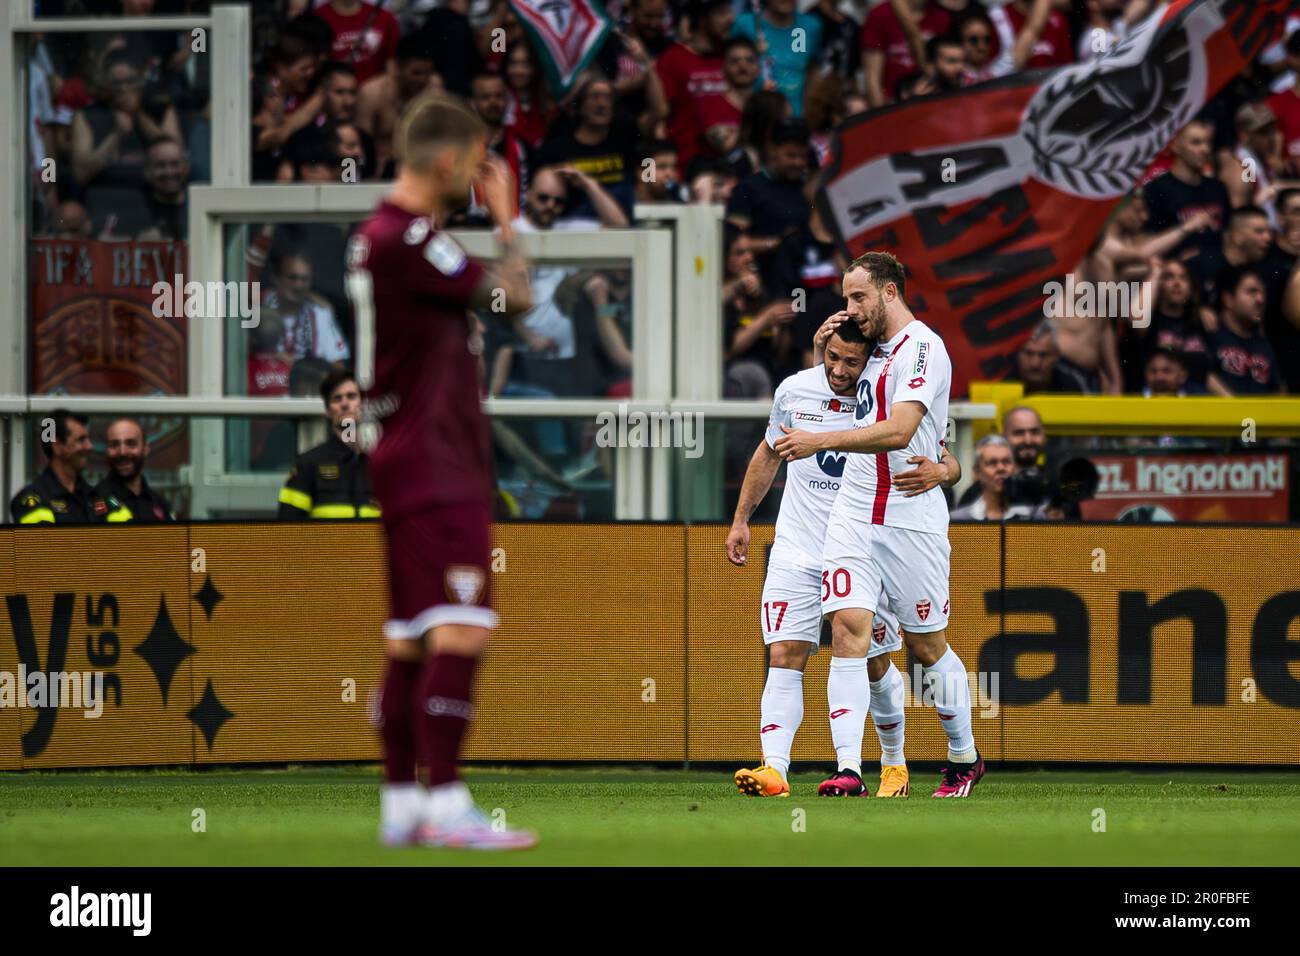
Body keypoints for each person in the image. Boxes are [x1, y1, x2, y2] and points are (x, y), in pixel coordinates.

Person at [345, 91, 536, 849]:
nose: (480, 175)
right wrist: (507, 218)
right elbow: (513, 297)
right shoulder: (409, 239)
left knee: (411, 639)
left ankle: (401, 808)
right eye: (478, 161)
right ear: (453, 162)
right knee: (461, 629)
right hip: (434, 460)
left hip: (405, 454)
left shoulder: (382, 238)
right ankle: (449, 805)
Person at [773, 251, 984, 798]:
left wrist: (946, 469)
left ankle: (964, 757)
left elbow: (902, 429)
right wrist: (824, 347)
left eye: (858, 297)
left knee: (926, 646)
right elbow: (828, 388)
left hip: (910, 519)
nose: (850, 307)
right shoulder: (872, 347)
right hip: (854, 511)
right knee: (847, 630)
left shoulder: (923, 348)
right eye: (846, 298)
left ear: (890, 292)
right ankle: (850, 769)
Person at [729, 316, 959, 799]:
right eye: (831, 357)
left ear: (870, 359)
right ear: (821, 348)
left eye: (849, 361)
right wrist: (742, 519)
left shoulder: (888, 391)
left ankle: (893, 764)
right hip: (798, 547)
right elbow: (769, 451)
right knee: (785, 654)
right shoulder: (795, 390)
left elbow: (942, 449)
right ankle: (777, 769)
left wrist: (944, 471)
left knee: (875, 664)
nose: (837, 370)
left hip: (863, 546)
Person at [278, 369, 380, 520]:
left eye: (351, 397)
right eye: (337, 399)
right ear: (327, 411)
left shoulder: (378, 464)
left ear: (362, 405)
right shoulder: (308, 464)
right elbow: (287, 529)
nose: (345, 404)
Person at [11, 410, 127, 525]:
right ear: (57, 446)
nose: (89, 446)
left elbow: (129, 536)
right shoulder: (32, 499)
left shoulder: (101, 497)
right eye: (81, 440)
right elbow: (43, 542)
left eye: (88, 439)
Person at [357, 34, 440, 177]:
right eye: (416, 73)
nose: (423, 80)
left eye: (428, 73)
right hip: (379, 176)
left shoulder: (434, 89)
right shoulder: (372, 94)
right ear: (397, 67)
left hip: (422, 174)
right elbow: (361, 145)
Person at [731, 0, 822, 118]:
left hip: (797, 119)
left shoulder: (811, 26)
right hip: (755, 116)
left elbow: (813, 69)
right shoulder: (745, 24)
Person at [1208, 265, 1285, 395]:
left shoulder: (1265, 345)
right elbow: (1202, 375)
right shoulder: (1211, 333)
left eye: (1262, 293)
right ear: (1229, 299)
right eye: (1252, 292)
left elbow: (1280, 391)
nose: (1260, 299)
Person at [95, 417, 176, 522]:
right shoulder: (97, 501)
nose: (123, 452)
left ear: (145, 449)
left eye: (131, 443)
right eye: (114, 445)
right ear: (106, 450)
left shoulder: (159, 503)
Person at [949, 435, 1014, 521]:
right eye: (992, 463)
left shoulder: (1031, 514)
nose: (1001, 468)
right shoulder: (959, 519)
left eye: (1006, 462)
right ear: (977, 472)